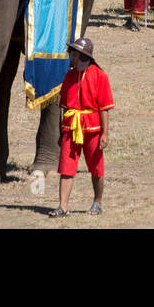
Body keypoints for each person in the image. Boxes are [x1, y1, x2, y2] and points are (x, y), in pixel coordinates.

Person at [50, 38, 112, 218]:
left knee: (96, 168)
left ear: (84, 56)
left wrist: (104, 133)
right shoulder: (69, 76)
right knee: (66, 167)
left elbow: (105, 108)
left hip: (92, 128)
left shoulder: (100, 76)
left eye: (75, 55)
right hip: (71, 128)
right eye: (72, 54)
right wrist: (62, 131)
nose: (72, 57)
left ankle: (97, 202)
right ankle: (62, 207)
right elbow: (64, 108)